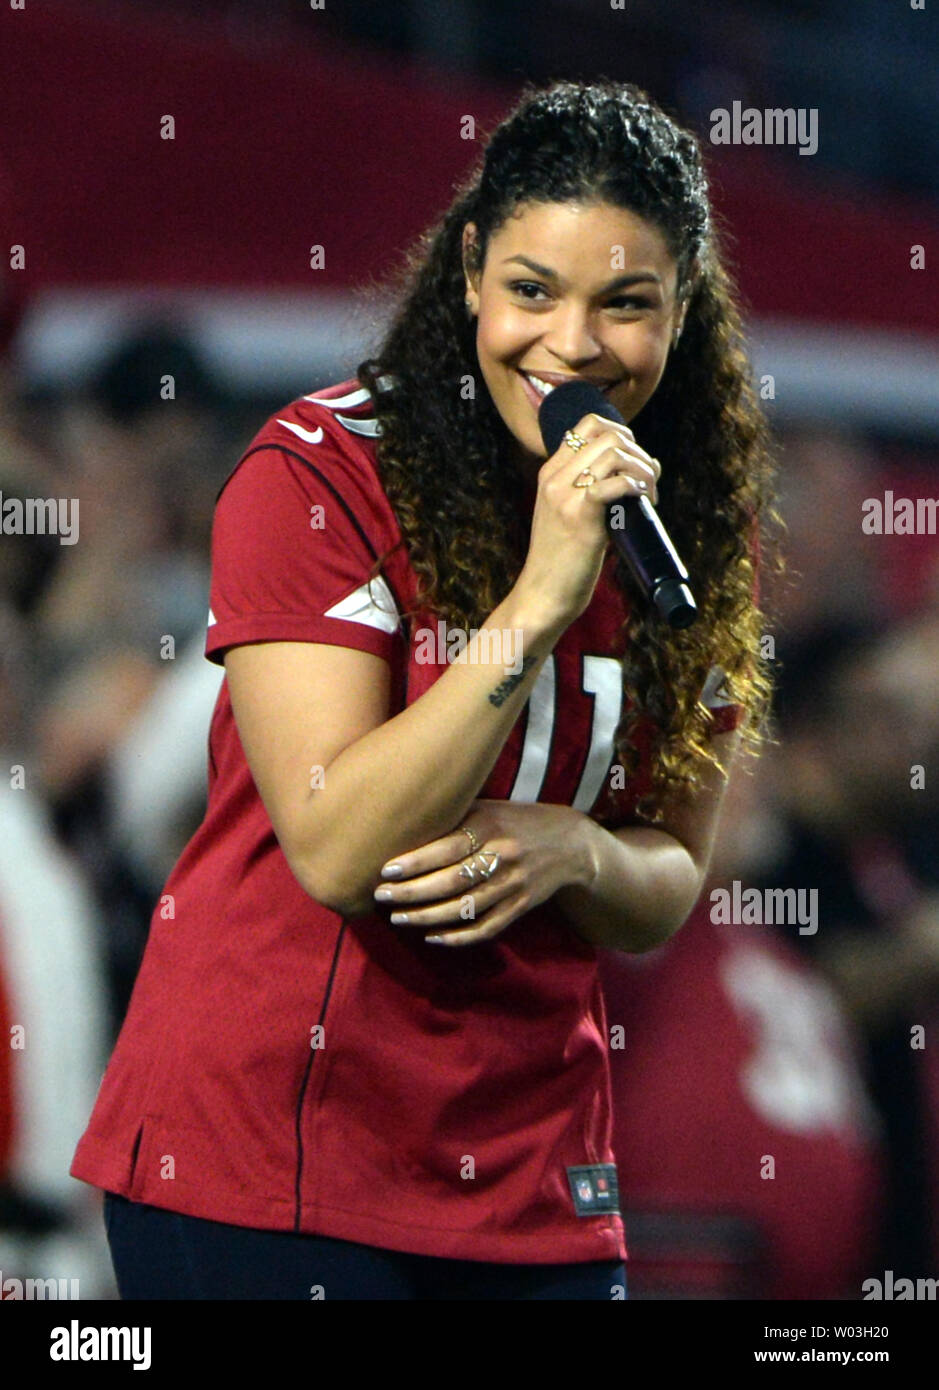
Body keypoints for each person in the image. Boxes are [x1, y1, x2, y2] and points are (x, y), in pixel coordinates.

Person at [70, 79, 778, 1301]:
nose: (572, 344)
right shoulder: (319, 474)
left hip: (532, 1173)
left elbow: (669, 867)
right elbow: (341, 846)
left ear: (681, 311)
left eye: (626, 304)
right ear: (467, 274)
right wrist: (535, 606)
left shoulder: (686, 535)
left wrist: (575, 852)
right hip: (275, 1160)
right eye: (531, 290)